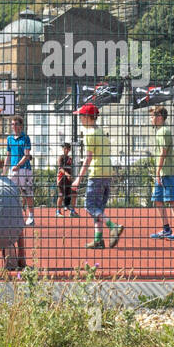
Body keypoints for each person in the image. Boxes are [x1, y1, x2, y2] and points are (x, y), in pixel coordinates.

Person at [72, 102, 122, 249]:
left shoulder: (89, 133)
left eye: (81, 116)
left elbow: (88, 158)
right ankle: (98, 240)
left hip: (97, 173)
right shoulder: (101, 132)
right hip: (107, 173)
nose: (80, 119)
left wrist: (78, 179)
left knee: (90, 206)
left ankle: (113, 226)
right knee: (98, 209)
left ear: (88, 117)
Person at [149, 106, 174, 240]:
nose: (151, 119)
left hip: (166, 172)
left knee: (171, 200)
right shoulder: (159, 131)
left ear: (159, 117)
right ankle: (166, 229)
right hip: (161, 172)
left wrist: (158, 171)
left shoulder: (164, 131)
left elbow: (163, 152)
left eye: (152, 116)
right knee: (157, 200)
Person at [6, 114, 36, 227]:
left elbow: (27, 155)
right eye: (12, 124)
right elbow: (8, 155)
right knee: (10, 192)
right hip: (12, 170)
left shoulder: (26, 138)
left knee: (27, 193)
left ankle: (31, 216)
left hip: (24, 169)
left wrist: (18, 165)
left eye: (16, 124)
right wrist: (5, 170)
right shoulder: (9, 138)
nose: (14, 126)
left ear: (21, 126)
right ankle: (12, 216)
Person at [55, 142, 75, 216]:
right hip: (61, 179)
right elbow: (60, 169)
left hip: (68, 180)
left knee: (71, 194)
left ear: (69, 149)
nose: (66, 150)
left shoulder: (70, 159)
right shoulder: (61, 157)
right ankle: (58, 212)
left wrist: (71, 177)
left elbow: (71, 169)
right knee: (61, 195)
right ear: (63, 149)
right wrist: (67, 174)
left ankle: (71, 210)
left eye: (68, 148)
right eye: (65, 148)